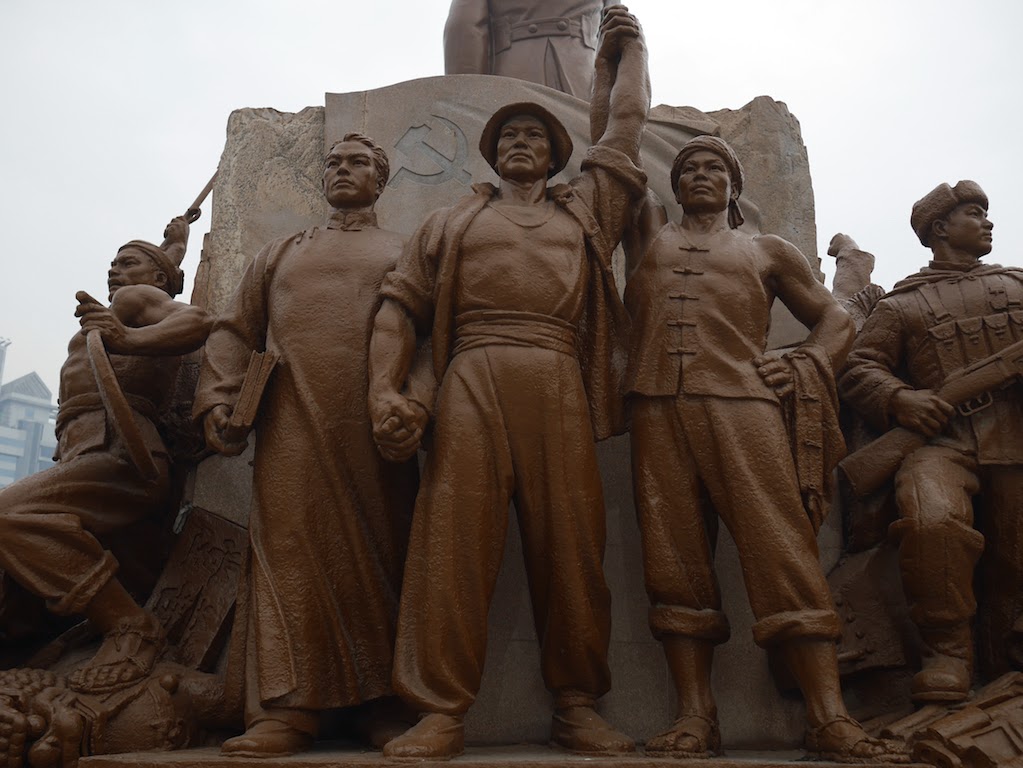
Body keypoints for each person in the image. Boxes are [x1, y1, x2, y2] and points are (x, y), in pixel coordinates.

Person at [368, 5, 647, 759]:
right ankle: (439, 709)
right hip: (471, 377)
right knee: (451, 545)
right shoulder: (452, 222)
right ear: (491, 155)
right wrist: (385, 389)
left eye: (537, 137)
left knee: (572, 549)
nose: (523, 143)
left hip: (557, 375)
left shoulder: (585, 211)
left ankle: (578, 703)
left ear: (558, 154)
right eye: (509, 137)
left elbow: (621, 134)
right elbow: (401, 307)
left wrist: (628, 57)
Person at [625, 135, 903, 761]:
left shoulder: (766, 251)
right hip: (655, 408)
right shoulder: (649, 235)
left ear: (734, 186)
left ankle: (828, 718)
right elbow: (615, 143)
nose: (699, 175)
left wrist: (805, 360)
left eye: (714, 168)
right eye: (689, 168)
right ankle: (696, 718)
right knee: (672, 561)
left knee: (782, 549)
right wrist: (625, 51)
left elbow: (836, 320)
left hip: (741, 406)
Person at [195, 134, 423, 757]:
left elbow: (429, 338)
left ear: (381, 179)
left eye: (358, 162)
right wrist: (219, 401)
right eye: (334, 163)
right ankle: (285, 710)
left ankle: (385, 704)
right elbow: (235, 330)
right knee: (286, 556)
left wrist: (413, 407)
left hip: (373, 431)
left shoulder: (404, 253)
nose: (343, 170)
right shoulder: (283, 253)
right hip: (290, 427)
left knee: (385, 557)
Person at [0, 217, 211, 694]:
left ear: (155, 279)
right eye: (112, 262)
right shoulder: (138, 296)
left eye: (127, 262)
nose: (114, 270)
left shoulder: (132, 302)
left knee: (11, 517)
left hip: (116, 445)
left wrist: (125, 339)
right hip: (84, 449)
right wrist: (175, 243)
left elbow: (197, 320)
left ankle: (129, 626)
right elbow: (166, 272)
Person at [838, 181, 1023, 702]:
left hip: (1015, 441)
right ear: (940, 228)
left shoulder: (1017, 286)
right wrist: (902, 401)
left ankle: (1007, 658)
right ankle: (948, 653)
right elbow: (859, 368)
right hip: (939, 444)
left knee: (1015, 558)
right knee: (932, 523)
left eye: (987, 214)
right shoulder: (902, 305)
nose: (988, 222)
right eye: (974, 213)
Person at [443, 0, 608, 98]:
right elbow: (618, 27)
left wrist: (464, 97)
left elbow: (464, 27)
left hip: (514, 73)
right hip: (586, 80)